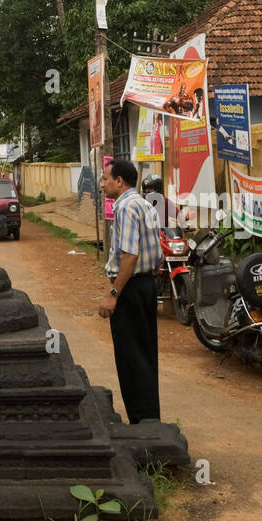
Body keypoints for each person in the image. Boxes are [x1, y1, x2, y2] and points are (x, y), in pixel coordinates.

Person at [98, 158, 163, 424]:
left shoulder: (124, 207)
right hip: (146, 286)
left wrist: (114, 294)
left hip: (131, 288)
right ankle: (150, 419)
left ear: (119, 181)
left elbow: (129, 255)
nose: (102, 185)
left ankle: (141, 422)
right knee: (145, 353)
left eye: (105, 179)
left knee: (130, 357)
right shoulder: (144, 204)